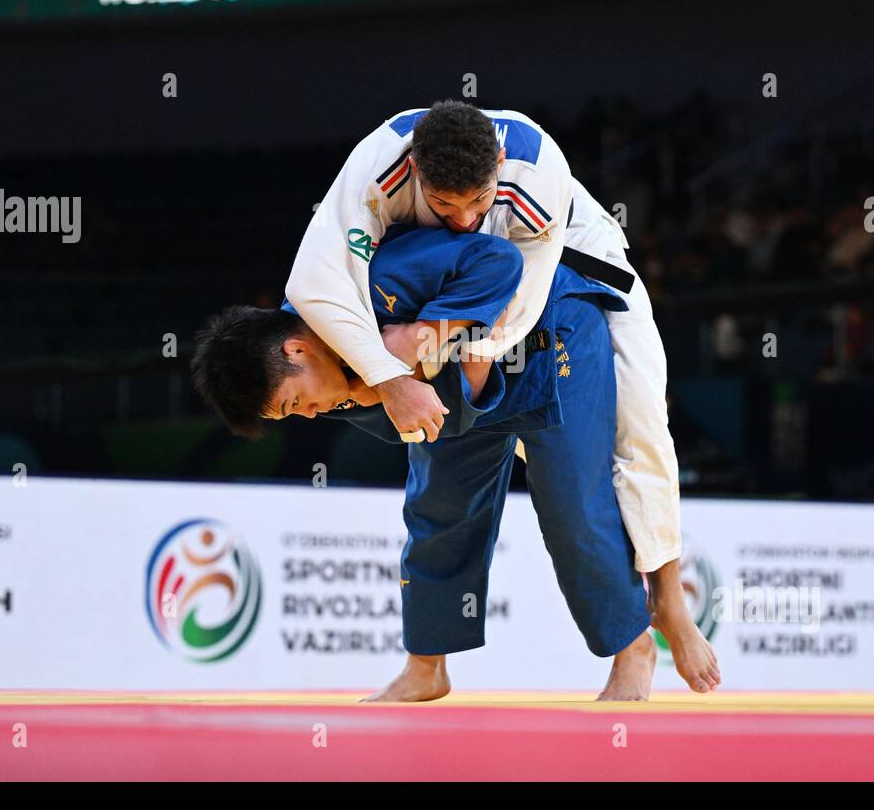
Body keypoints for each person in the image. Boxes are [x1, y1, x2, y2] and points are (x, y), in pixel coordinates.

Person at [193, 225, 720, 700]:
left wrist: (434, 338)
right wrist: (449, 377)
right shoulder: (327, 388)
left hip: (548, 332)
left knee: (573, 501)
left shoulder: (362, 284)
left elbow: (499, 262)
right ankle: (427, 666)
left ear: (297, 350)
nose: (306, 415)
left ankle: (634, 649)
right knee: (437, 505)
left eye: (292, 403)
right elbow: (423, 418)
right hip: (461, 386)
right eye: (291, 415)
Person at [285, 102, 684, 589]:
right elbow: (313, 283)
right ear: (415, 171)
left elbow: (513, 315)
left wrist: (420, 349)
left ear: (497, 164)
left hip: (571, 254)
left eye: (477, 201)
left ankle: (669, 594)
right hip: (451, 287)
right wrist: (391, 377)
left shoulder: (538, 171)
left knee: (640, 418)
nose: (463, 219)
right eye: (442, 205)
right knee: (535, 458)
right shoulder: (377, 165)